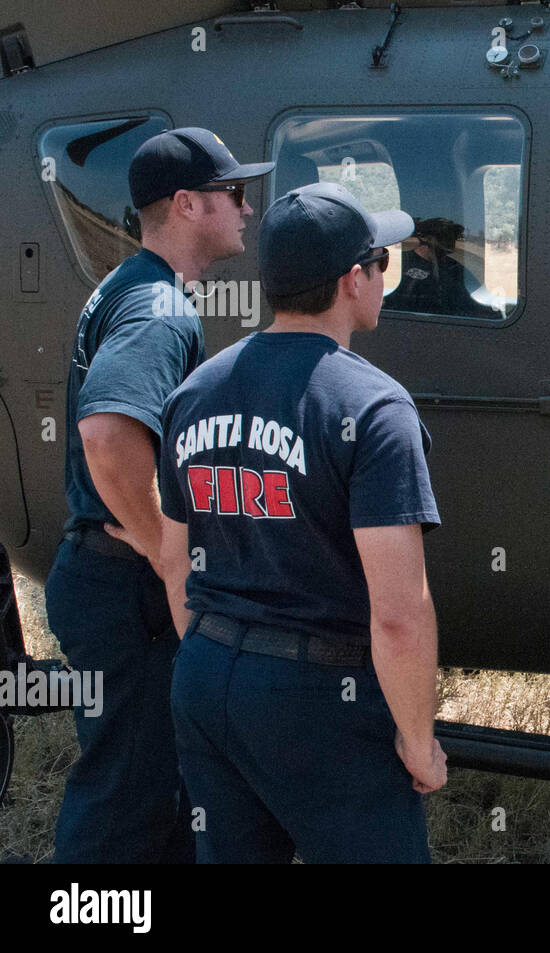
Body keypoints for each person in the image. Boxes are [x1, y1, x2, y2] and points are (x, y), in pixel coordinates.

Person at [157, 181, 447, 863]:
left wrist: (219, 654)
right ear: (353, 279)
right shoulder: (376, 407)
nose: (385, 277)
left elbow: (175, 561)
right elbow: (400, 613)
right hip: (319, 698)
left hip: (205, 675)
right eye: (382, 262)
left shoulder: (193, 392)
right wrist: (417, 737)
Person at [45, 127, 272, 863]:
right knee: (126, 809)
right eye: (233, 193)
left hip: (108, 584)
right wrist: (167, 554)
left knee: (160, 799)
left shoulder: (139, 287)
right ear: (185, 205)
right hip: (126, 593)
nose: (247, 207)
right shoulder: (159, 309)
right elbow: (107, 438)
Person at [385, 216, 497, 317]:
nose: (451, 243)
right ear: (425, 238)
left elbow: (471, 301)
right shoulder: (404, 263)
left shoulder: (454, 267)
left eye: (453, 237)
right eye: (445, 237)